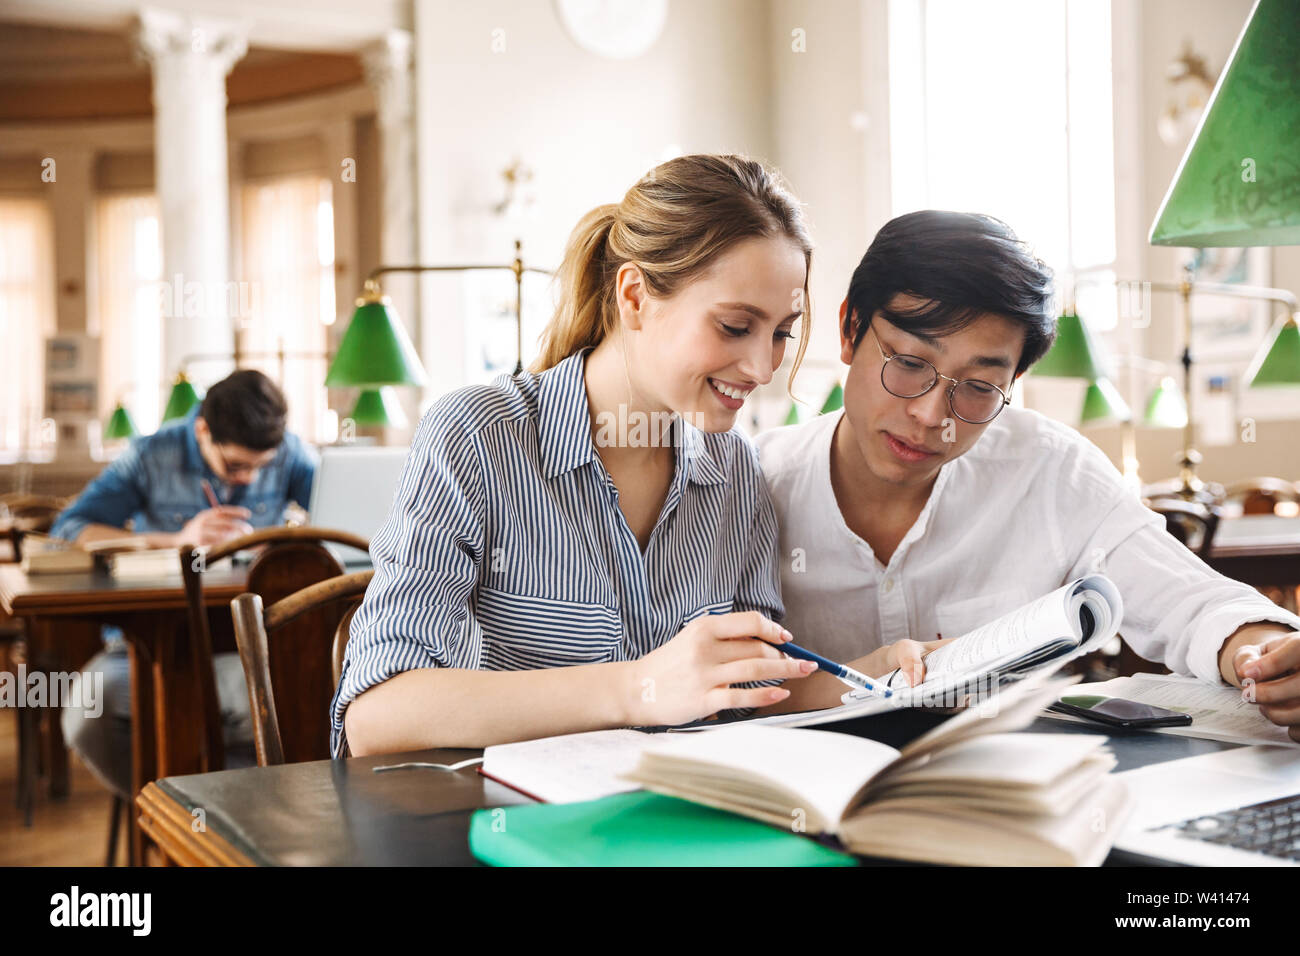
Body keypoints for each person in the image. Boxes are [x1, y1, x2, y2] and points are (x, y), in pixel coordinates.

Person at [333, 154, 939, 757]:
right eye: (734, 326)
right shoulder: (477, 436)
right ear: (634, 297)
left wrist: (881, 671)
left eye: (781, 332)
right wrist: (637, 689)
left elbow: (745, 689)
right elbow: (380, 714)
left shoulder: (732, 469)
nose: (762, 367)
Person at [755, 209, 1300, 737]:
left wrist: (1264, 653)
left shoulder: (1050, 470)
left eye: (978, 385)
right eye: (909, 363)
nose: (931, 416)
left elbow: (1193, 602)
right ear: (850, 329)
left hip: (1009, 799)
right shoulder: (751, 483)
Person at [52, 369, 318, 796]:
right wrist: (175, 540)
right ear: (202, 429)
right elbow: (69, 529)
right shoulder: (150, 455)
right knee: (88, 715)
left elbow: (336, 516)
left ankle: (228, 806)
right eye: (235, 465)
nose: (247, 478)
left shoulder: (290, 453)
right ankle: (182, 810)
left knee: (319, 705)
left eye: (259, 468)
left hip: (251, 644)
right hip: (147, 647)